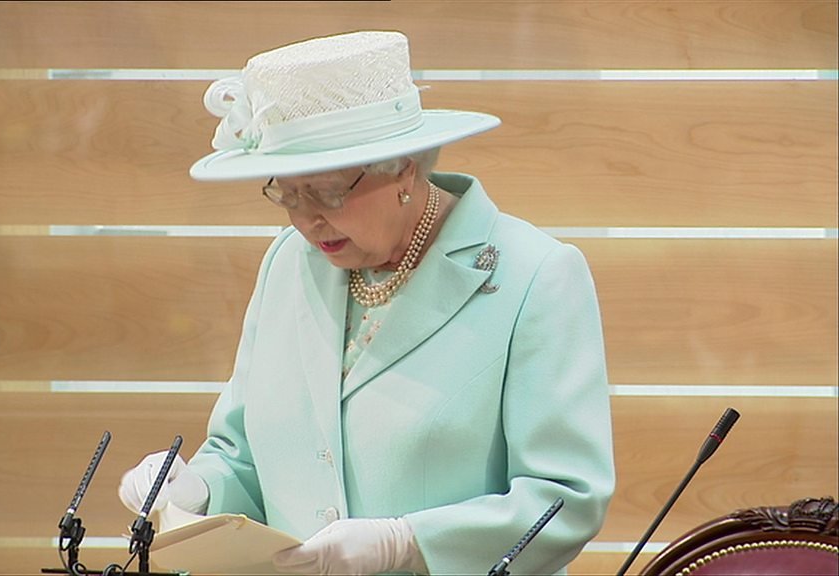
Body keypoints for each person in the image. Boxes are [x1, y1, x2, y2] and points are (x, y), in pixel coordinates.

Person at [119, 30, 615, 575]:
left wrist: (409, 543)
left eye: (329, 192)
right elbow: (243, 457)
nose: (307, 219)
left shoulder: (535, 274)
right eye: (286, 193)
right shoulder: (288, 262)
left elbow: (567, 496)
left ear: (403, 166)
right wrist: (199, 491)